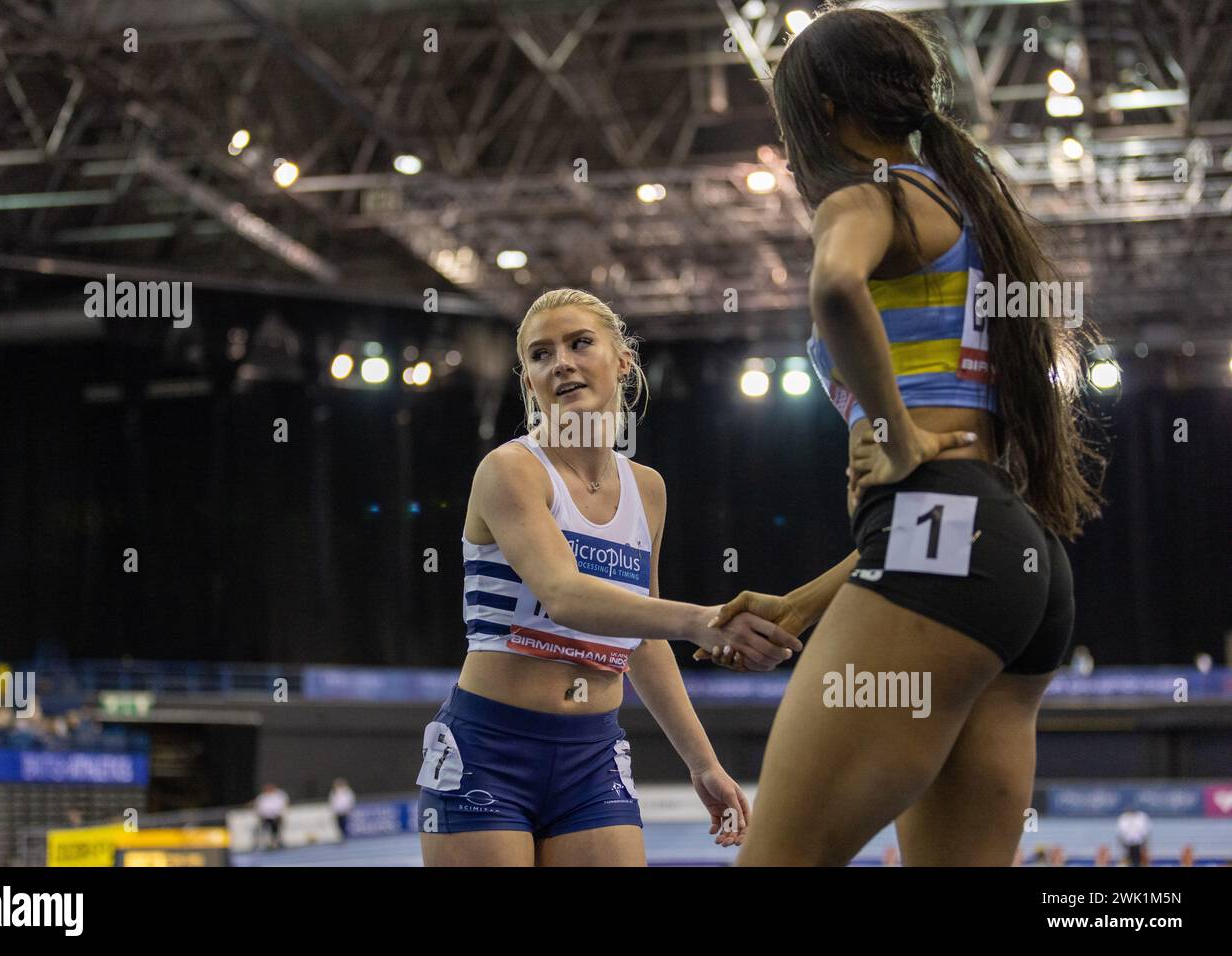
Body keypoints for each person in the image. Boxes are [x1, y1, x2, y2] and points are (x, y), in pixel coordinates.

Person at [707, 7, 1104, 866]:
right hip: (1014, 560)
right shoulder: (963, 213)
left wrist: (889, 433)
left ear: (816, 114)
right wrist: (808, 604)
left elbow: (836, 291)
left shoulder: (870, 196)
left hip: (948, 541)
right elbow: (950, 518)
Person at [417, 288, 801, 867]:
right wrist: (702, 621)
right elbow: (565, 595)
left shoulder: (647, 489)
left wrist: (703, 763)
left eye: (579, 343)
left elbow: (640, 633)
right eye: (541, 355)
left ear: (623, 359)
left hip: (591, 757)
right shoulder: (511, 471)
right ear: (529, 385)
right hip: (490, 751)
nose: (562, 363)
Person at [253, 783, 289, 850]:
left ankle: (277, 843)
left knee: (276, 830)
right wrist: (260, 816)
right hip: (266, 817)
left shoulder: (279, 795)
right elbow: (258, 807)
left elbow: (283, 804)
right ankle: (268, 844)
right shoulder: (261, 797)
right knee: (266, 830)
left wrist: (280, 814)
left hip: (276, 816)